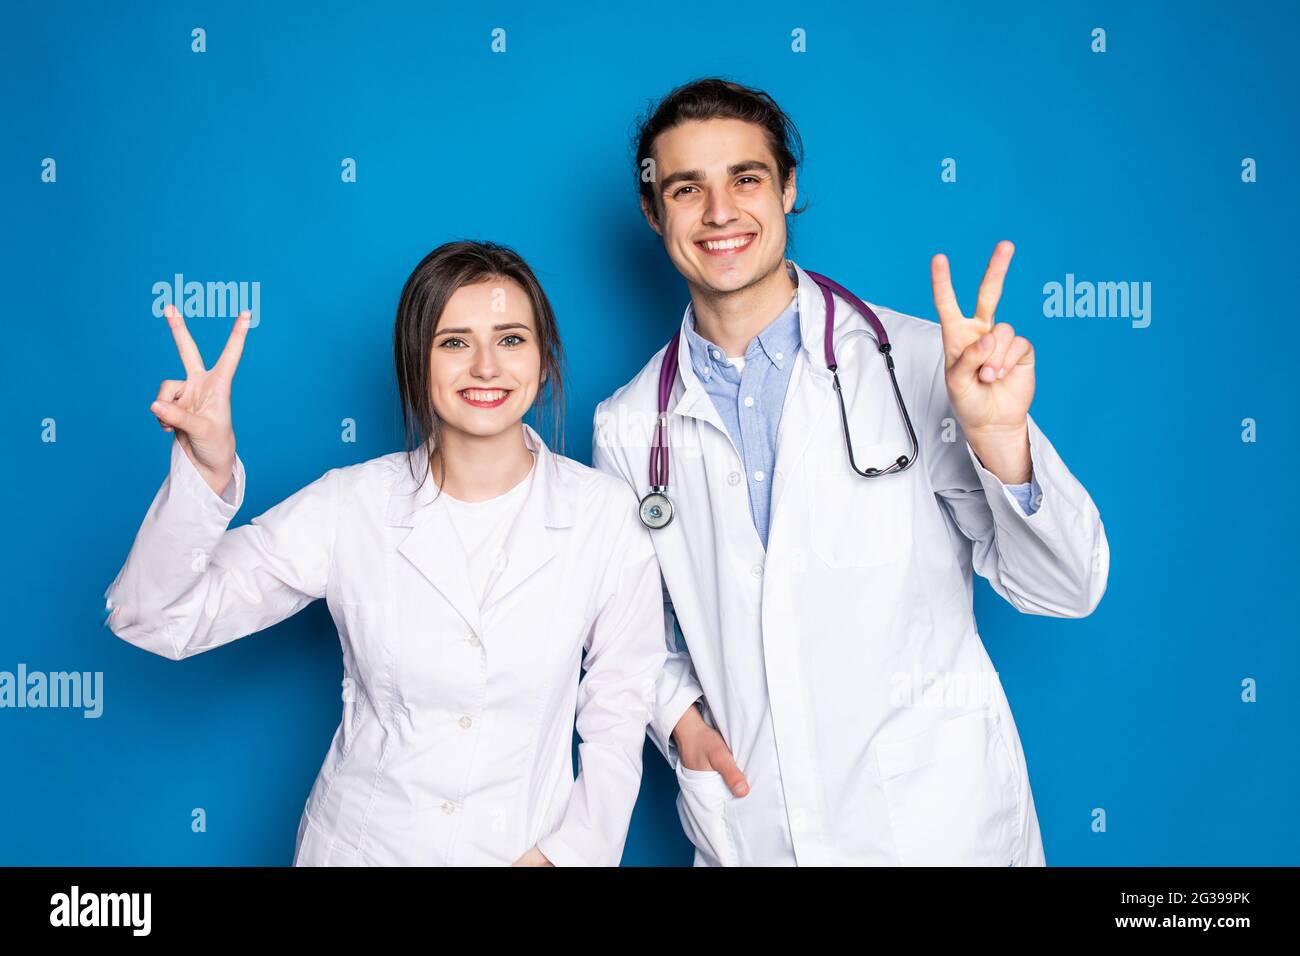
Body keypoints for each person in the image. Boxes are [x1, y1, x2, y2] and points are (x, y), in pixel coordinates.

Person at [593, 78, 1110, 866]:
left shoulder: (916, 361)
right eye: (686, 189)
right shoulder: (629, 426)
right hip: (757, 828)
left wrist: (1002, 437)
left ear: (789, 189)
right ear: (653, 212)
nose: (720, 212)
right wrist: (680, 723)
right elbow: (631, 632)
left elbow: (1067, 589)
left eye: (746, 179)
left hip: (935, 825)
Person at [104, 240, 667, 866]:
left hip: (522, 851)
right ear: (415, 362)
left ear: (544, 361)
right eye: (454, 342)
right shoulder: (350, 505)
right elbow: (152, 619)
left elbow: (619, 709)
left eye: (511, 339)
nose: (486, 366)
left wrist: (567, 855)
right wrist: (204, 469)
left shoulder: (607, 515)